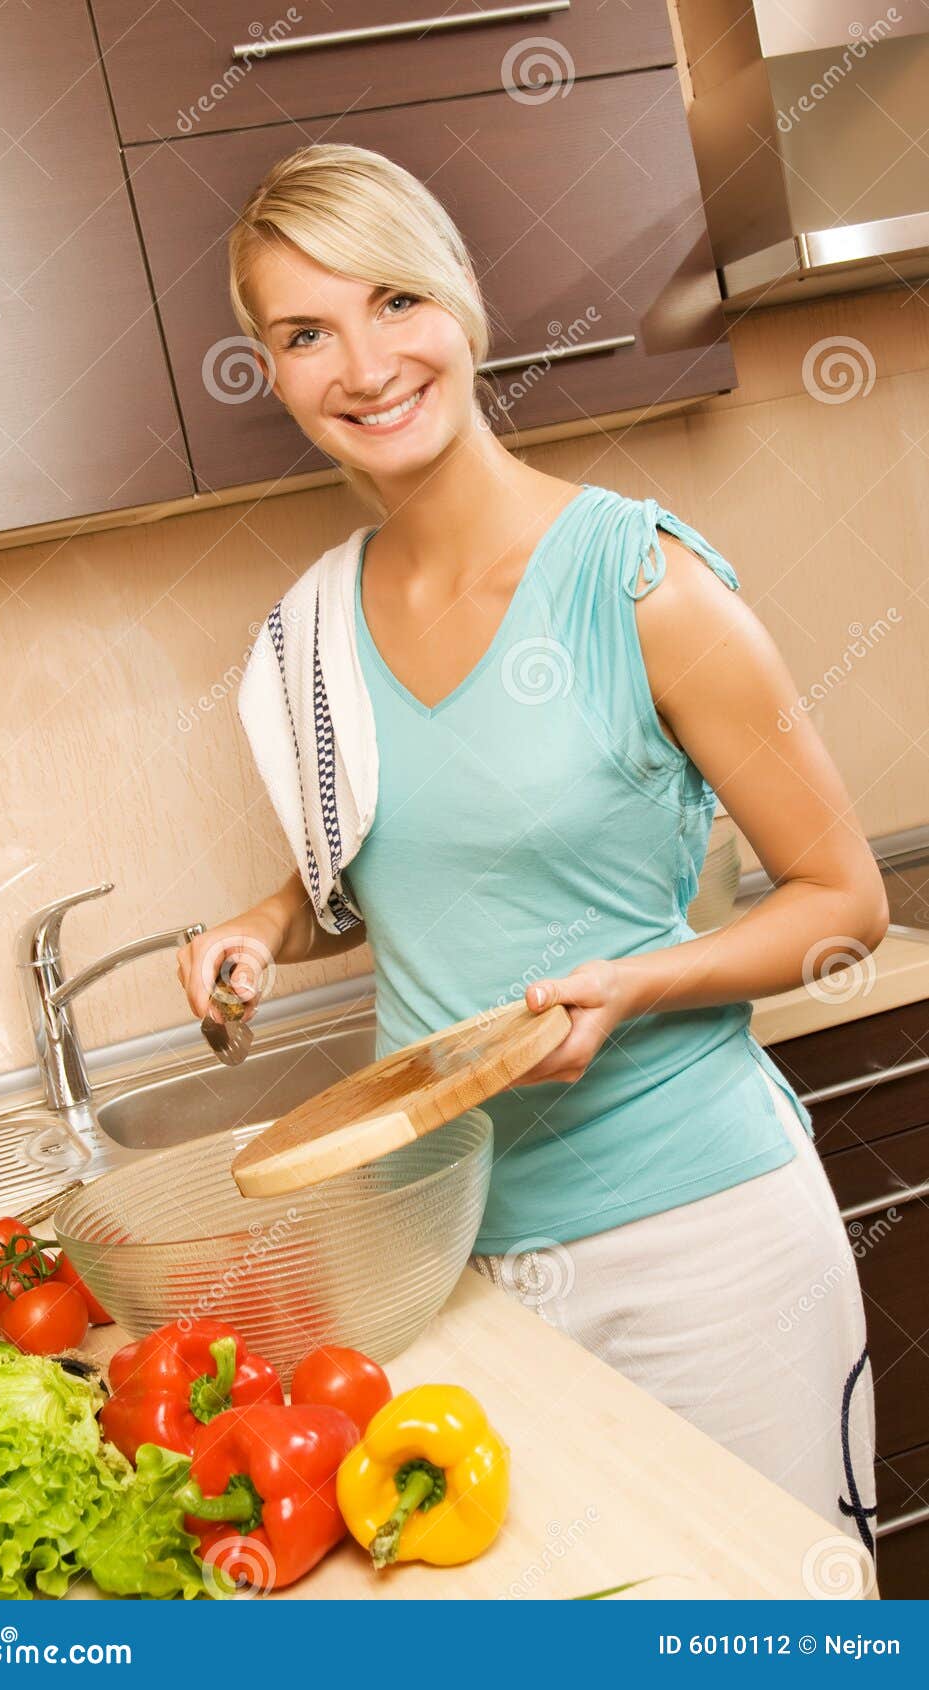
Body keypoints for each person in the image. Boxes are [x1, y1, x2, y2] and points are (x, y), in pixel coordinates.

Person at [176, 142, 888, 1573]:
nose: (363, 363)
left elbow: (844, 901)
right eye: (304, 332)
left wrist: (630, 984)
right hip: (452, 1255)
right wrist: (260, 919)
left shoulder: (641, 581)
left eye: (393, 303)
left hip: (699, 1235)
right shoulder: (313, 632)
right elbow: (380, 874)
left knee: (765, 1635)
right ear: (266, 367)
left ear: (458, 305)